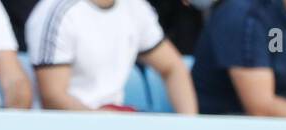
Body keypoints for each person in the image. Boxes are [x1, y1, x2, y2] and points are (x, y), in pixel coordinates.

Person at [26, 0, 195, 112]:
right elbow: (52, 97)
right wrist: (102, 122)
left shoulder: (135, 7)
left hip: (114, 126)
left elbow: (173, 67)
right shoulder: (57, 11)